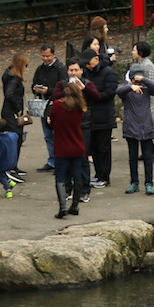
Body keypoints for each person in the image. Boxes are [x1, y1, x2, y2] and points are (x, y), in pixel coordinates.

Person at [52, 56, 100, 204]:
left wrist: (84, 89)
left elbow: (97, 97)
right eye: (71, 70)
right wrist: (69, 90)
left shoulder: (87, 83)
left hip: (83, 125)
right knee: (65, 159)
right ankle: (67, 189)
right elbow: (55, 97)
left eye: (76, 70)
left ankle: (84, 190)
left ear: (81, 70)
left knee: (82, 158)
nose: (73, 73)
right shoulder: (62, 84)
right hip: (65, 127)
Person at [48, 72, 88, 218]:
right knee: (77, 176)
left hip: (61, 147)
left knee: (60, 177)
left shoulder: (57, 105)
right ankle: (75, 206)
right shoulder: (80, 107)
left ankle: (63, 207)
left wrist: (51, 122)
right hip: (77, 145)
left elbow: (52, 123)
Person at [117, 66, 154, 196]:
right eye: (135, 79)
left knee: (148, 157)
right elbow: (118, 91)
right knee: (133, 157)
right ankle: (134, 182)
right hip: (131, 128)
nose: (137, 83)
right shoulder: (126, 89)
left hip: (146, 127)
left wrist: (144, 80)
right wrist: (130, 87)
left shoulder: (146, 88)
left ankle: (149, 183)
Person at [82, 48, 117, 189]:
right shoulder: (87, 72)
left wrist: (95, 95)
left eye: (89, 63)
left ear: (96, 59)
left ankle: (104, 177)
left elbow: (110, 92)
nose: (88, 66)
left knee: (103, 149)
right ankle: (98, 174)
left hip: (104, 116)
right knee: (94, 148)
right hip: (91, 116)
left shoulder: (108, 72)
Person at [31, 43, 67, 173]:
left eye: (48, 56)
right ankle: (52, 161)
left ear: (54, 55)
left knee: (58, 135)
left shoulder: (60, 69)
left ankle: (60, 162)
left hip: (57, 105)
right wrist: (36, 89)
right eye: (43, 56)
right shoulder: (40, 69)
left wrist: (48, 90)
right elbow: (33, 84)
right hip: (43, 105)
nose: (45, 59)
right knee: (48, 135)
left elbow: (64, 87)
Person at [1, 53, 29, 182]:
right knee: (15, 139)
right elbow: (9, 94)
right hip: (12, 112)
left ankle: (13, 166)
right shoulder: (15, 79)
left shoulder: (8, 74)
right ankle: (10, 168)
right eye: (25, 65)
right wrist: (18, 108)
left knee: (16, 138)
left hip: (8, 111)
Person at [130, 41, 154, 125]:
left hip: (148, 104)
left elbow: (152, 85)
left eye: (134, 50)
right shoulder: (136, 63)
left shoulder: (147, 65)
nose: (132, 52)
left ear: (140, 52)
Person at [0, 118, 19, 199]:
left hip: (3, 163)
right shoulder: (13, 135)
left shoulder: (0, 140)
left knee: (1, 177)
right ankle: (10, 182)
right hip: (11, 161)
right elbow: (16, 136)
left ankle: (8, 190)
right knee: (5, 174)